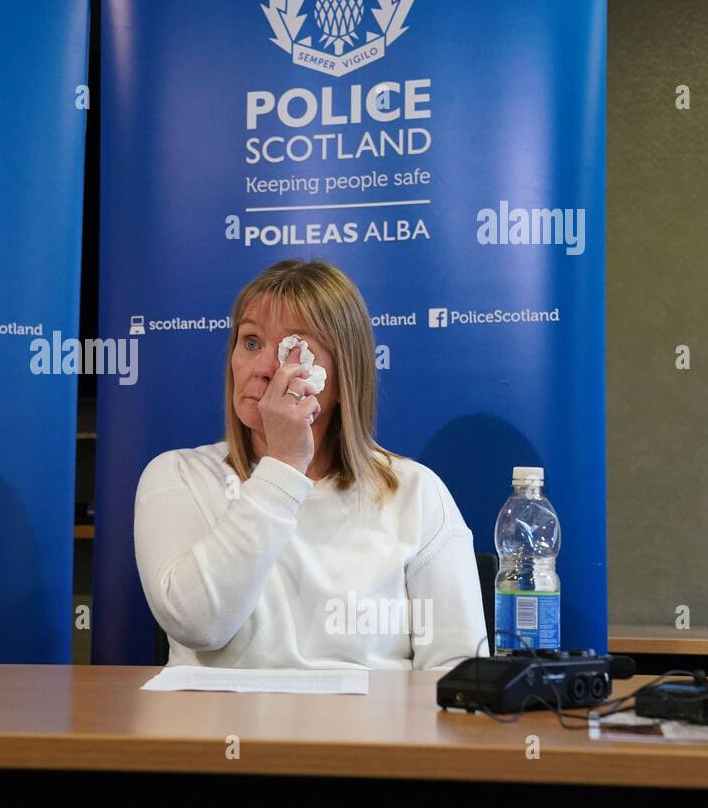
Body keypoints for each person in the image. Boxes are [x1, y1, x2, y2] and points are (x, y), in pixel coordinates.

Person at [134, 259, 487, 670]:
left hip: (368, 730)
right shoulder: (179, 476)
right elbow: (199, 625)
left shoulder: (414, 491)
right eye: (250, 342)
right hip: (225, 731)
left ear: (343, 376)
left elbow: (459, 670)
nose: (265, 368)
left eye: (293, 350)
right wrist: (284, 465)